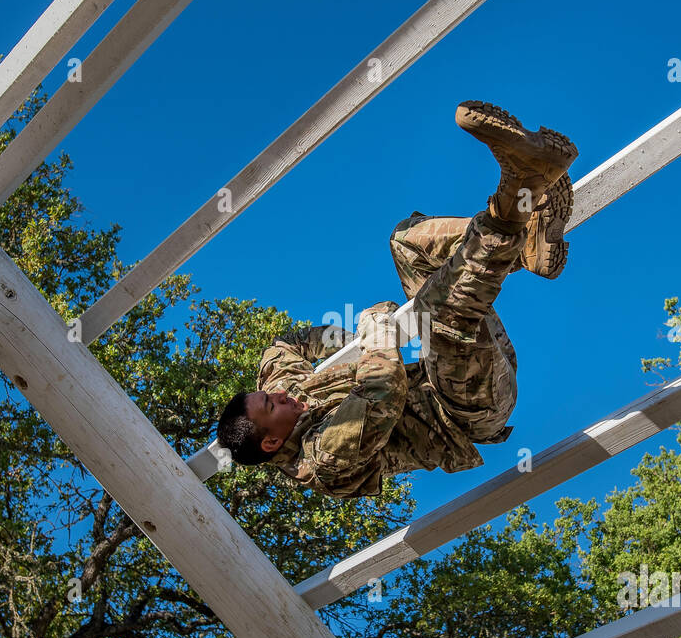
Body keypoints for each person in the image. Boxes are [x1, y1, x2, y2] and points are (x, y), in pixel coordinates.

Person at [215, 101, 579, 498]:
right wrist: (376, 339)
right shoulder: (322, 459)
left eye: (268, 395)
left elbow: (285, 346)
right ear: (270, 443)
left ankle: (524, 241)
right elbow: (382, 390)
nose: (280, 395)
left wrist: (346, 340)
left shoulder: (283, 390)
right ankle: (517, 194)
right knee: (440, 322)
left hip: (457, 358)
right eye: (272, 406)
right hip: (468, 409)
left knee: (406, 242)